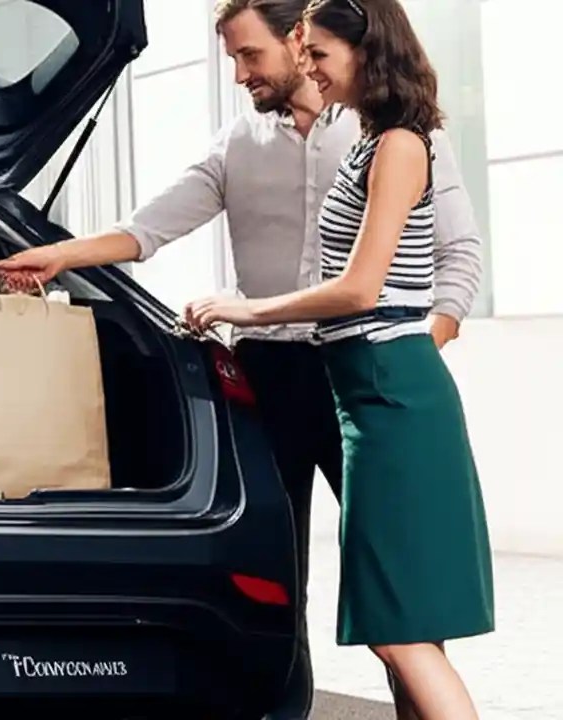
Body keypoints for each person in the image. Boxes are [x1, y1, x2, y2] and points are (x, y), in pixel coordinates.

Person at [0, 0, 485, 717]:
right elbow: (147, 230)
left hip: (371, 380)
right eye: (230, 57)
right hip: (273, 374)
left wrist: (409, 345)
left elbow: (455, 257)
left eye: (249, 55)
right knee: (275, 572)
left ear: (297, 42)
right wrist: (56, 256)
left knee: (402, 595)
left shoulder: (382, 134)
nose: (239, 73)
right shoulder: (239, 144)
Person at [179, 0, 495, 718]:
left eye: (319, 53)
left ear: (366, 50)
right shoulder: (369, 141)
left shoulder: (402, 146)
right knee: (397, 626)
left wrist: (244, 307)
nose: (310, 65)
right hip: (366, 396)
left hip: (393, 395)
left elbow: (359, 287)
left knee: (403, 633)